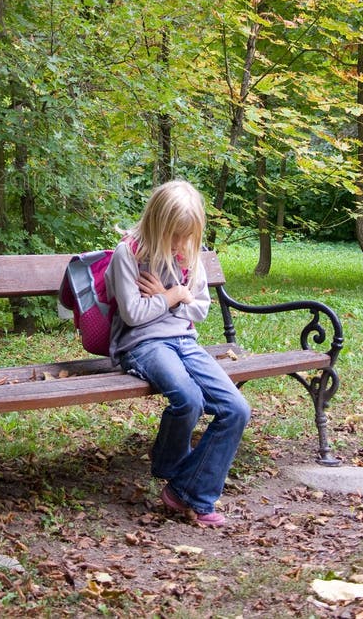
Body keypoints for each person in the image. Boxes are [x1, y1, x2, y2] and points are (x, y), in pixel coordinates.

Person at [104, 179, 250, 528]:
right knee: (189, 398)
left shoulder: (190, 253)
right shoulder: (129, 253)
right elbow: (134, 315)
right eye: (174, 236)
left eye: (187, 237)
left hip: (185, 341)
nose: (180, 245)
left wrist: (174, 298)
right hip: (141, 343)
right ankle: (190, 489)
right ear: (156, 225)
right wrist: (172, 298)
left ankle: (180, 487)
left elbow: (199, 309)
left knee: (237, 409)